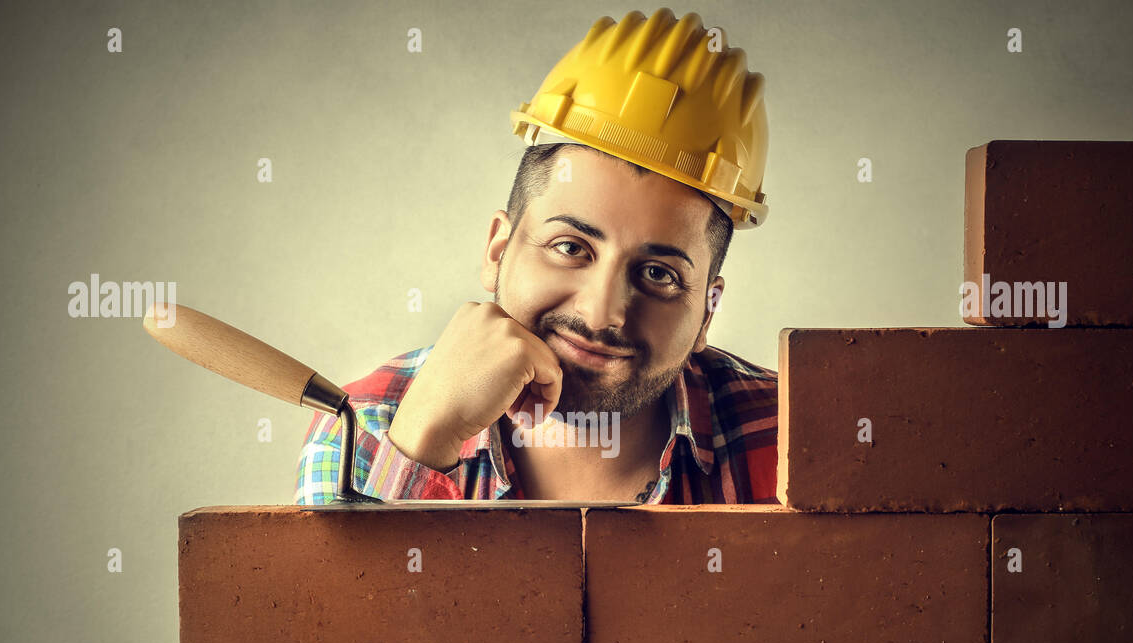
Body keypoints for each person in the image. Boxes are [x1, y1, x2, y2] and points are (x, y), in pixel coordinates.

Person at [295, 8, 778, 505]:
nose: (601, 312)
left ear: (707, 312)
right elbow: (346, 584)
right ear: (498, 249)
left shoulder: (792, 440)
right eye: (570, 248)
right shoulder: (364, 426)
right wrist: (420, 445)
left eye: (659, 274)